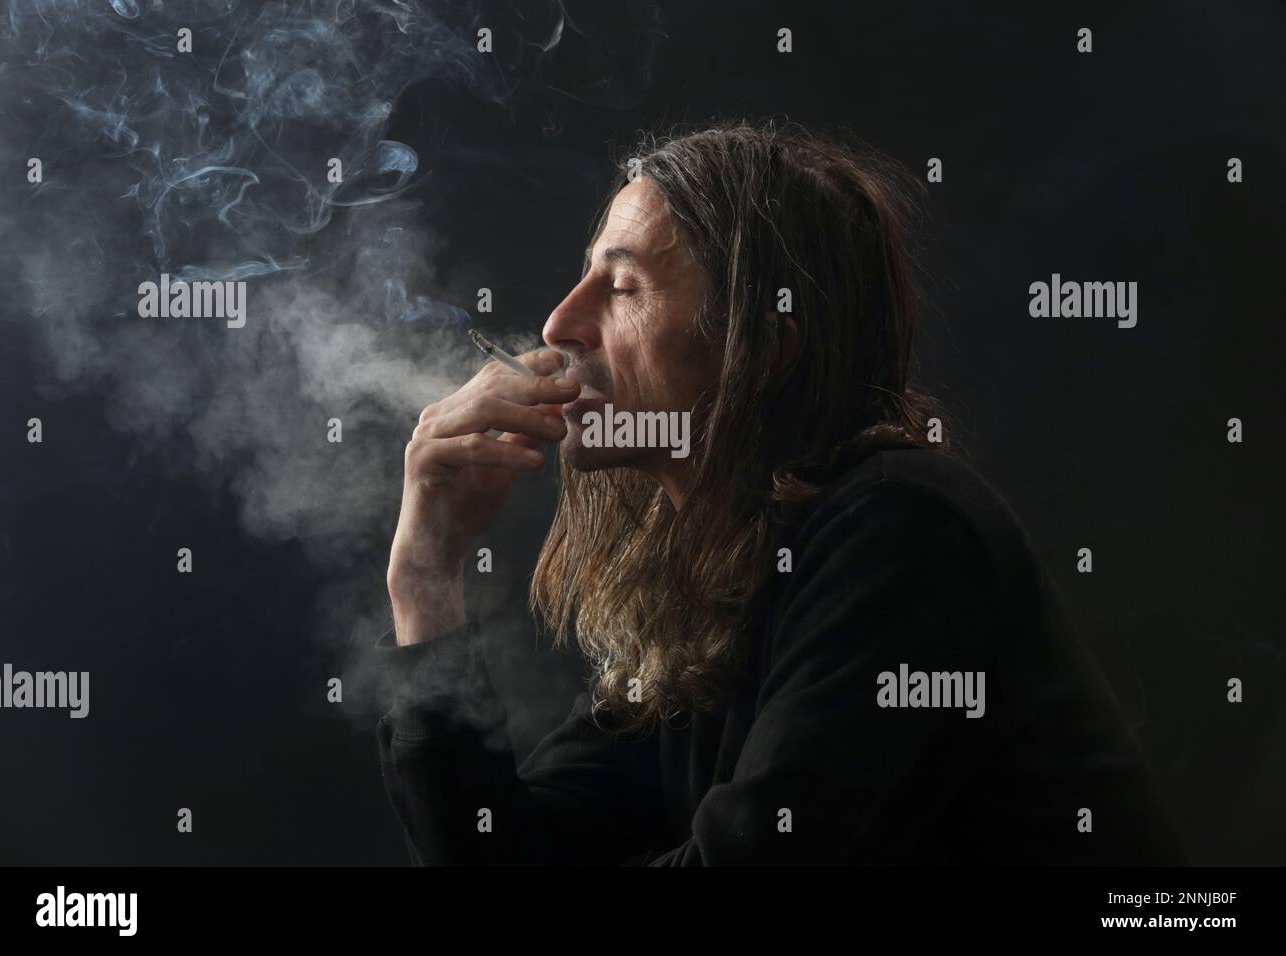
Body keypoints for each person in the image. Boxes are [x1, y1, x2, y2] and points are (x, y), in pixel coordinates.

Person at [376, 120, 1188, 866]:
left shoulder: (898, 531)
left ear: (763, 345)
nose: (558, 324)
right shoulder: (707, 575)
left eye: (621, 287)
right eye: (584, 278)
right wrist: (425, 576)